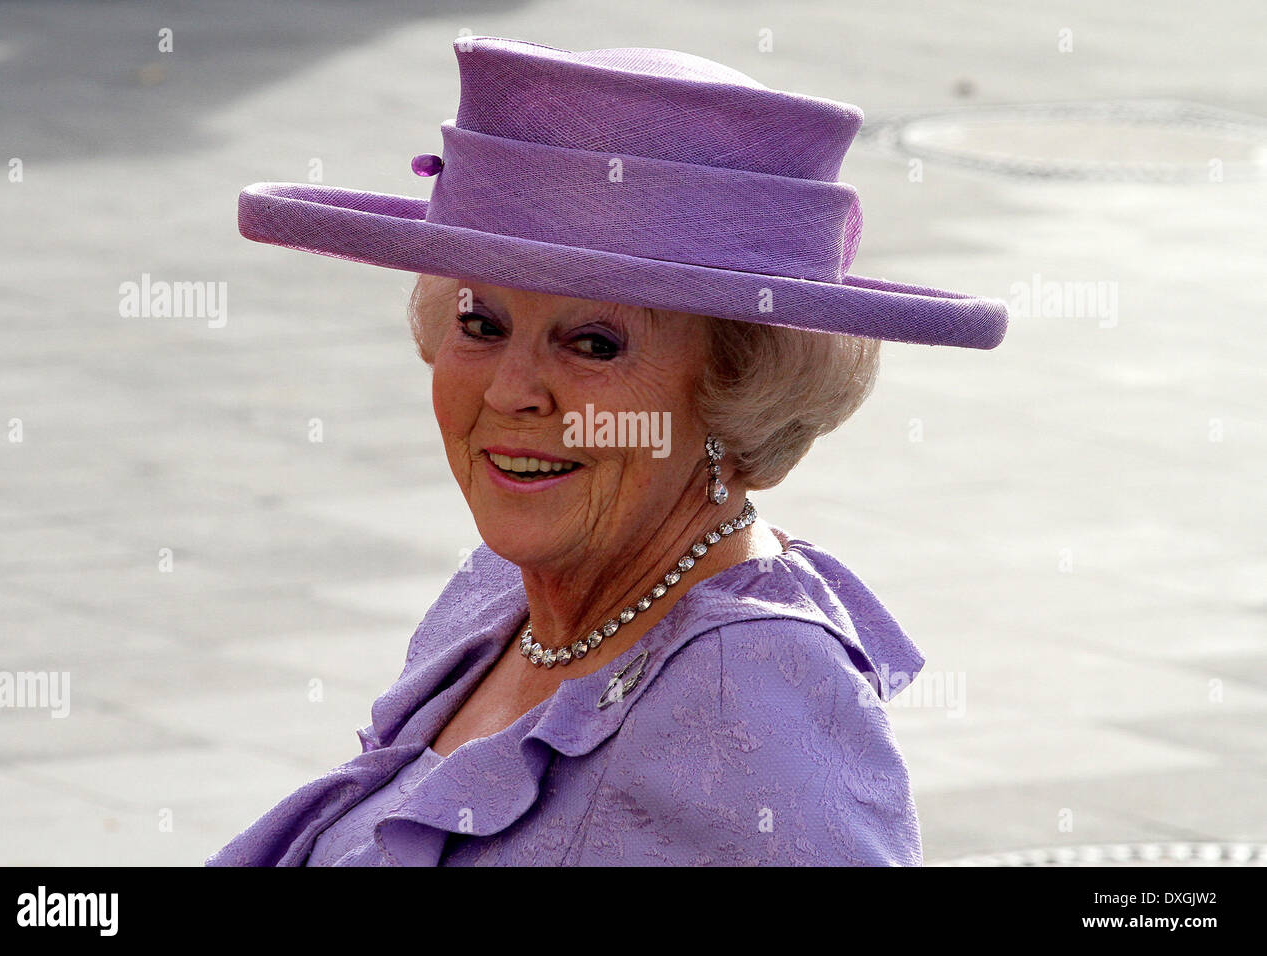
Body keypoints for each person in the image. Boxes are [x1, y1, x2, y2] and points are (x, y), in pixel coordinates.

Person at [206, 35, 1007, 866]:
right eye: (482, 324)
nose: (513, 391)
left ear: (735, 386)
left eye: (593, 344)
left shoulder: (748, 691)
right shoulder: (499, 601)